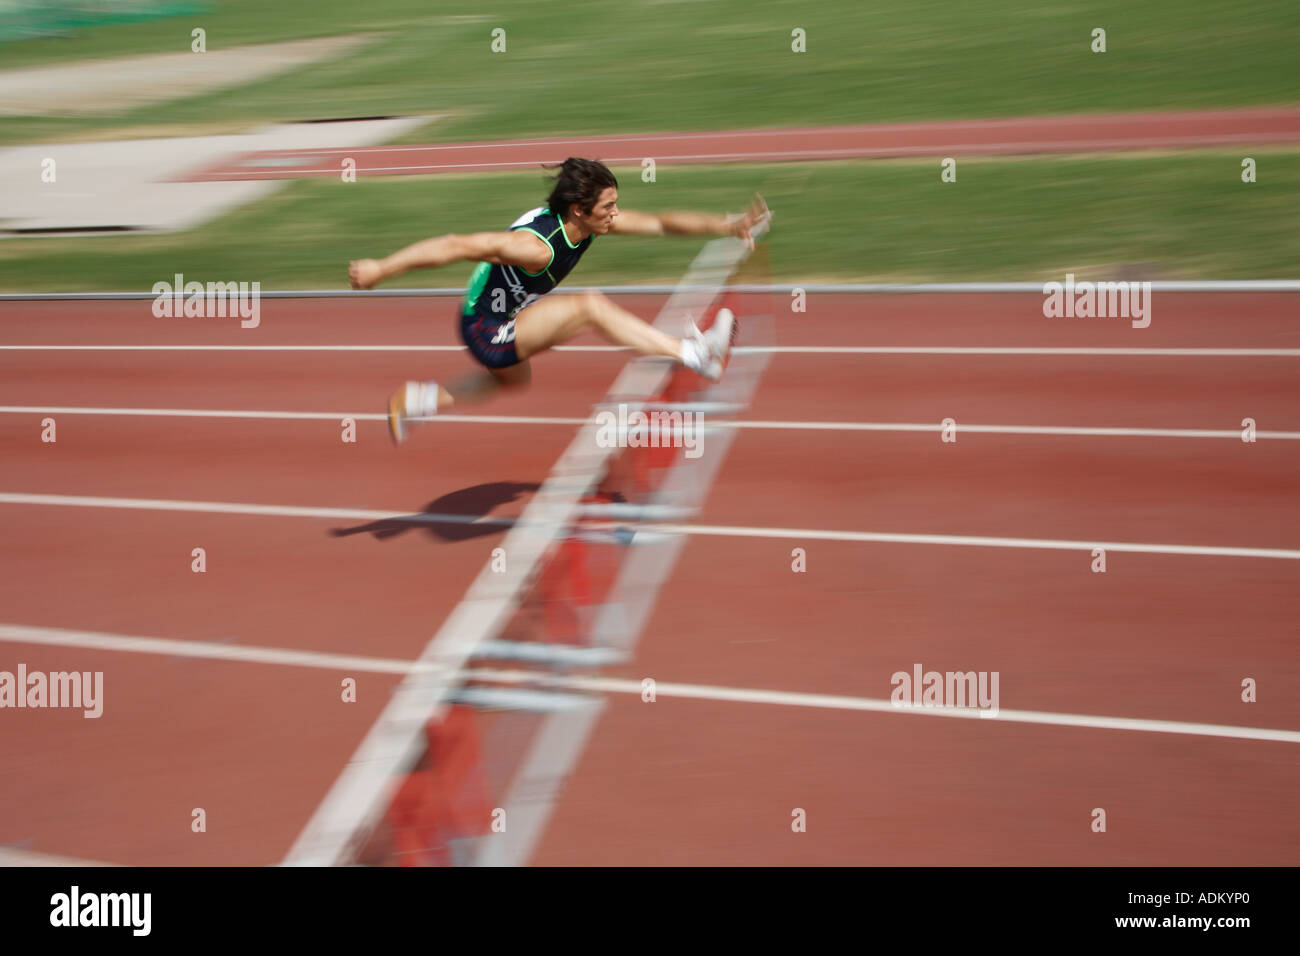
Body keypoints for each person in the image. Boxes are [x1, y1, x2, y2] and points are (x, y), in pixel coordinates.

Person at [347, 157, 770, 443]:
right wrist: (382, 269)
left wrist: (727, 223)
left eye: (616, 203)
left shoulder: (587, 224)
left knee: (511, 381)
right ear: (577, 210)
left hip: (508, 314)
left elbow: (660, 222)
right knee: (589, 306)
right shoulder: (538, 249)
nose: (616, 213)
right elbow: (456, 244)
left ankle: (417, 401)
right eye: (608, 206)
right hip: (485, 326)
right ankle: (696, 354)